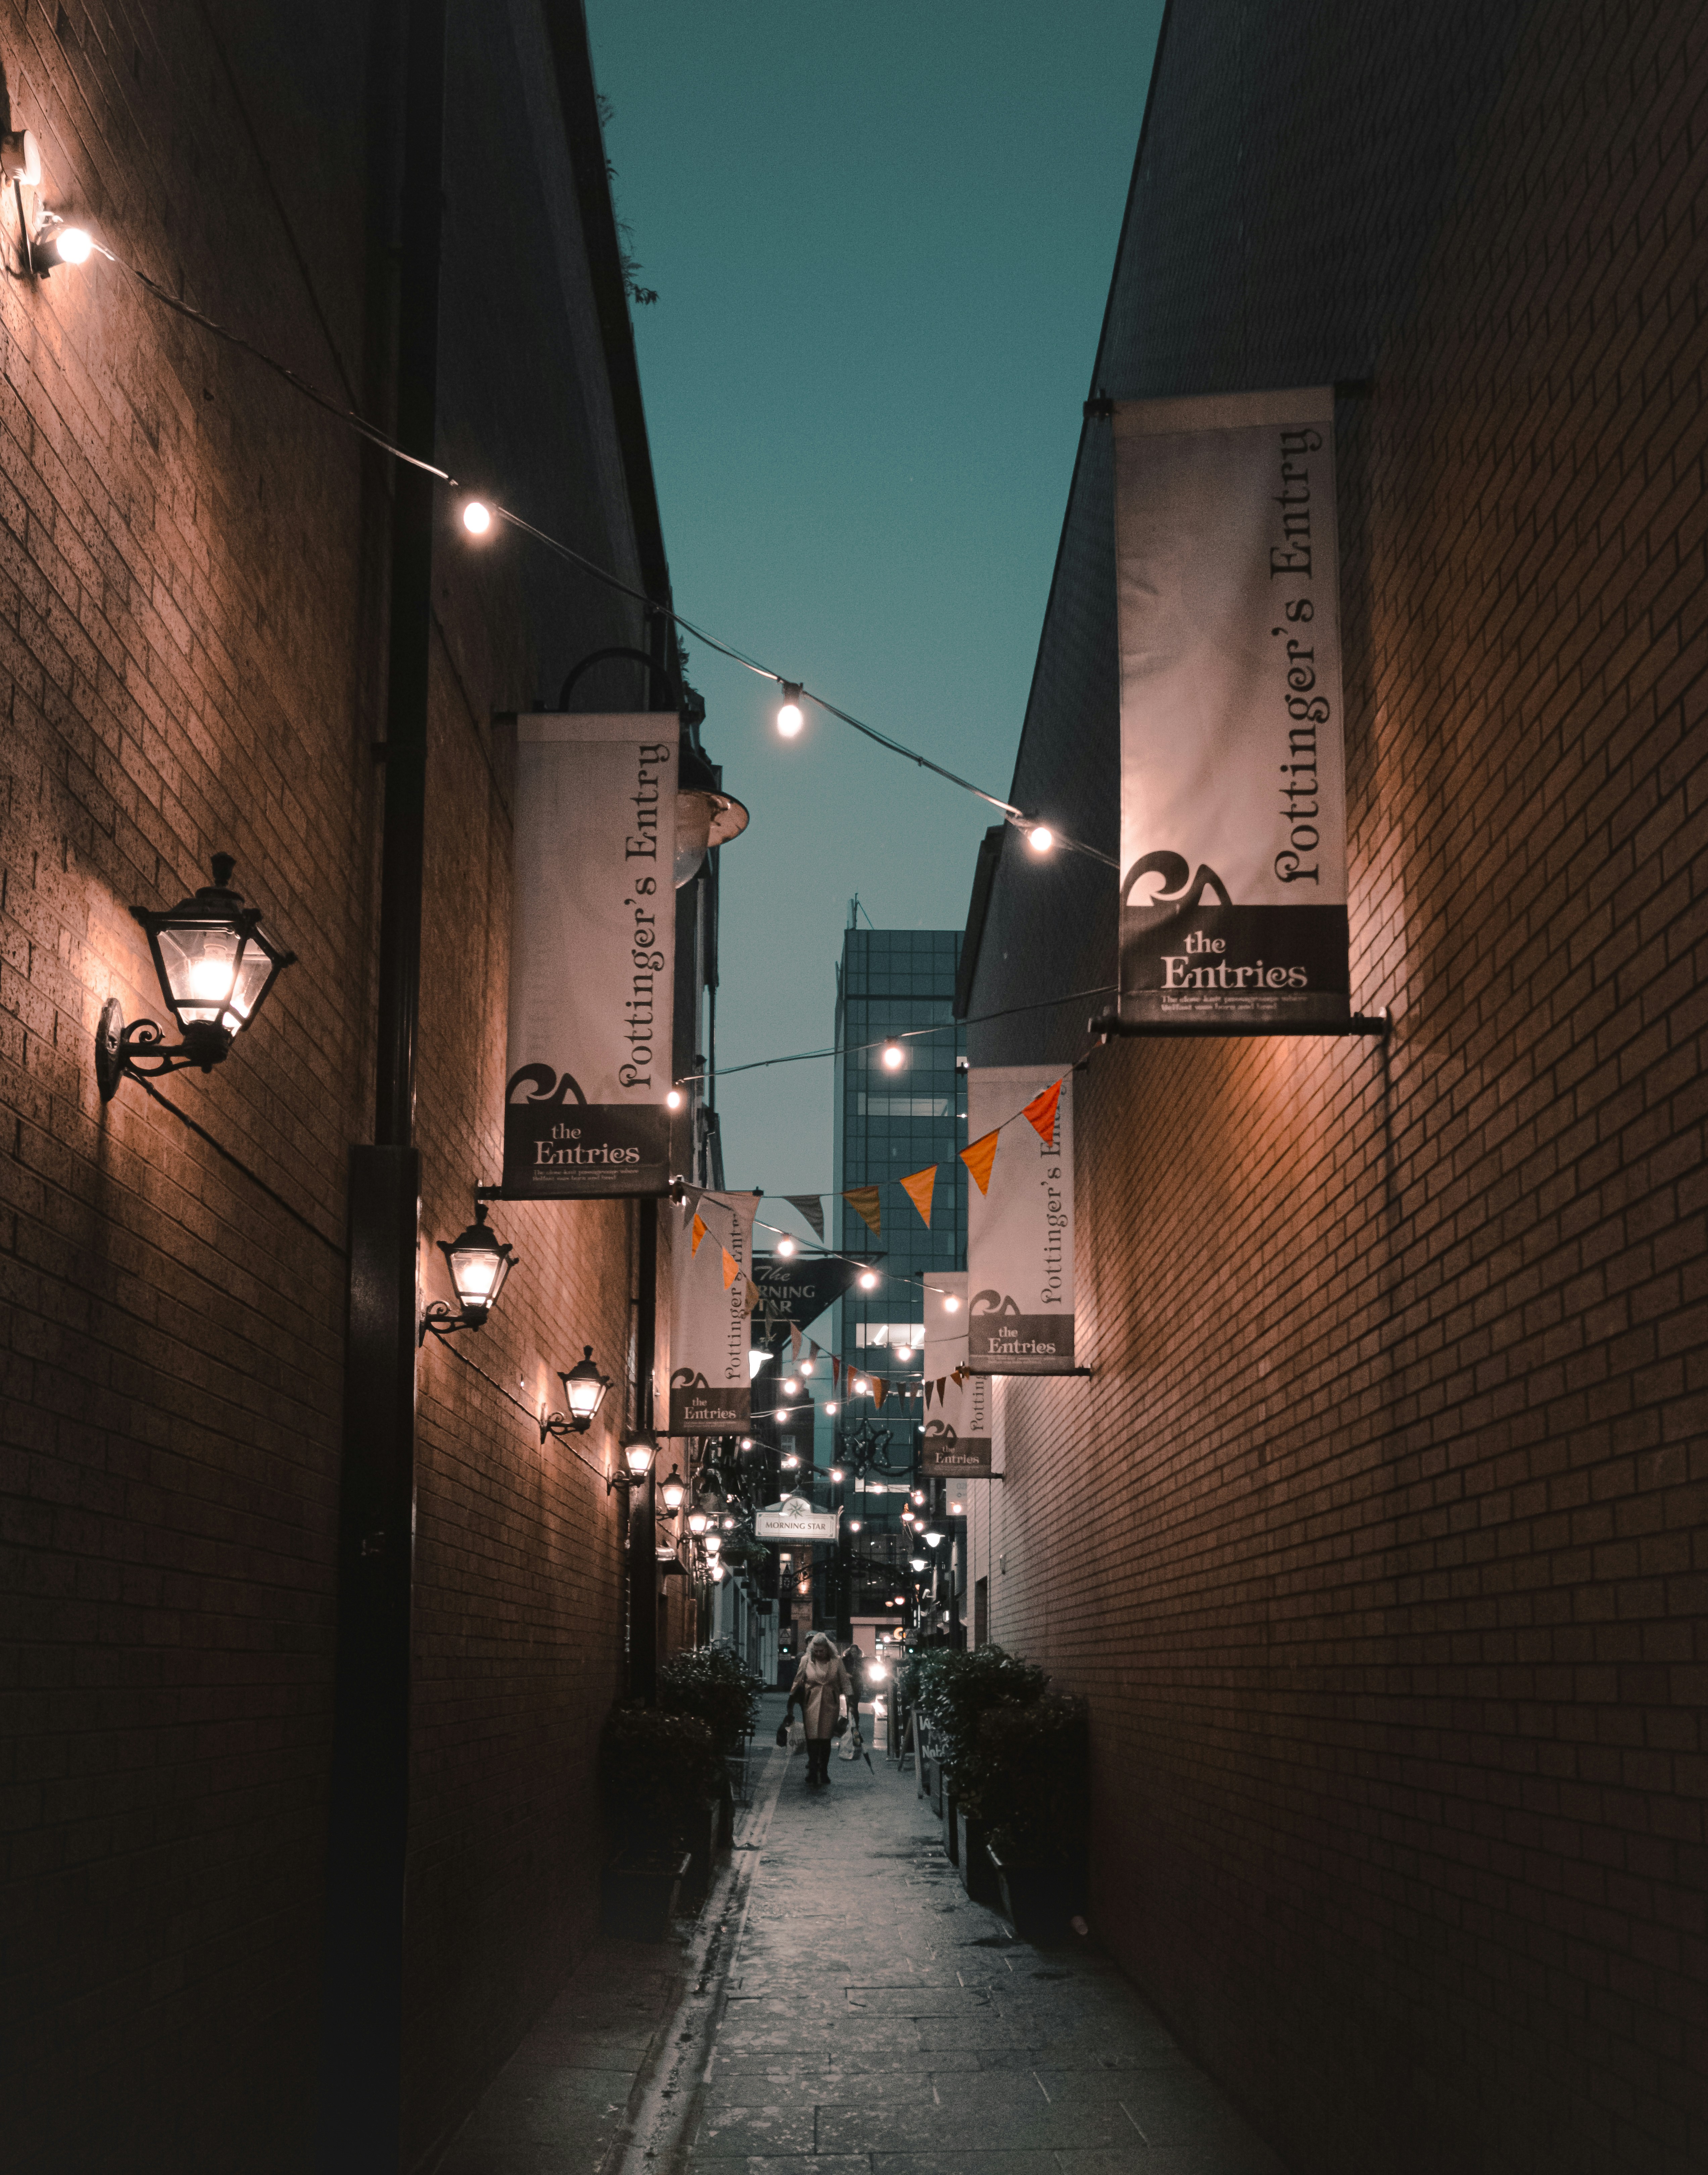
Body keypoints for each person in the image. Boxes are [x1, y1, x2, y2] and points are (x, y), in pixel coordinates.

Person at [787, 1632, 850, 1788]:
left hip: (831, 1704)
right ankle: (813, 1771)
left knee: (826, 1739)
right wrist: (791, 1703)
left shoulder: (837, 1663)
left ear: (828, 1649)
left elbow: (846, 1683)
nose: (819, 1654)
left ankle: (824, 1771)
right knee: (812, 1739)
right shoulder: (806, 1660)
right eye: (816, 1651)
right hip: (811, 1704)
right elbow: (798, 1681)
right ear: (812, 1650)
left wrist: (852, 1704)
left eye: (822, 1651)